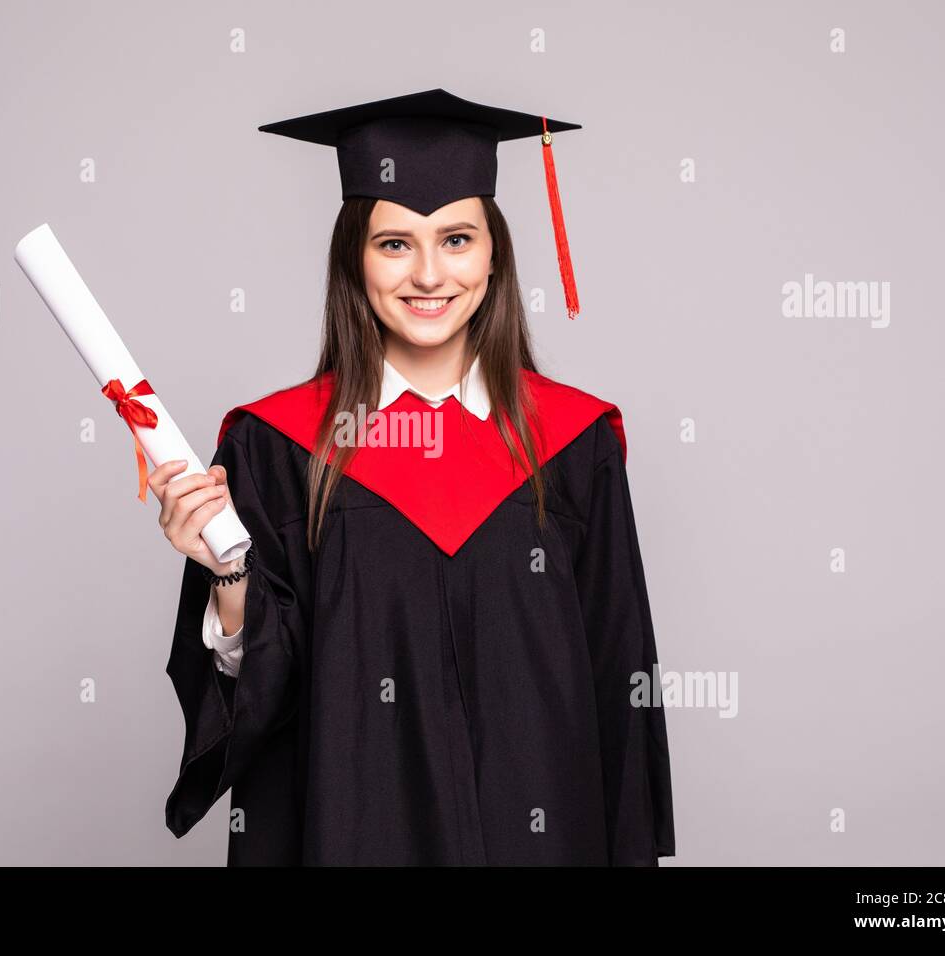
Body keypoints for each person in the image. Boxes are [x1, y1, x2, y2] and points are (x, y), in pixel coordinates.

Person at [151, 89, 676, 865]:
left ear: (494, 254)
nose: (429, 274)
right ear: (353, 260)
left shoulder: (572, 441)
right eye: (394, 244)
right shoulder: (280, 445)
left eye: (457, 239)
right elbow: (264, 700)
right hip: (356, 831)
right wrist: (228, 571)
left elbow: (618, 671)